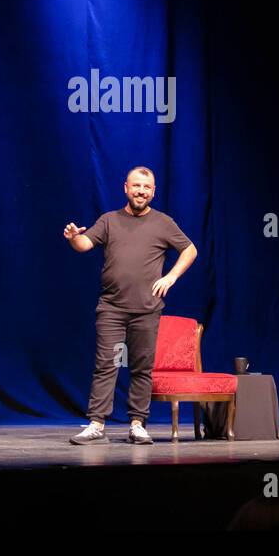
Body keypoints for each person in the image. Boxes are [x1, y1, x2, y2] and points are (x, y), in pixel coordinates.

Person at [63, 166, 197, 445]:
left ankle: (137, 424)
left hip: (147, 309)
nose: (141, 191)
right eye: (136, 186)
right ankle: (96, 424)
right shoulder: (110, 220)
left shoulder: (163, 223)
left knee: (141, 368)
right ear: (125, 187)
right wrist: (74, 236)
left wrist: (171, 277)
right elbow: (85, 244)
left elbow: (190, 249)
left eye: (146, 187)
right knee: (106, 365)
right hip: (112, 308)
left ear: (153, 191)